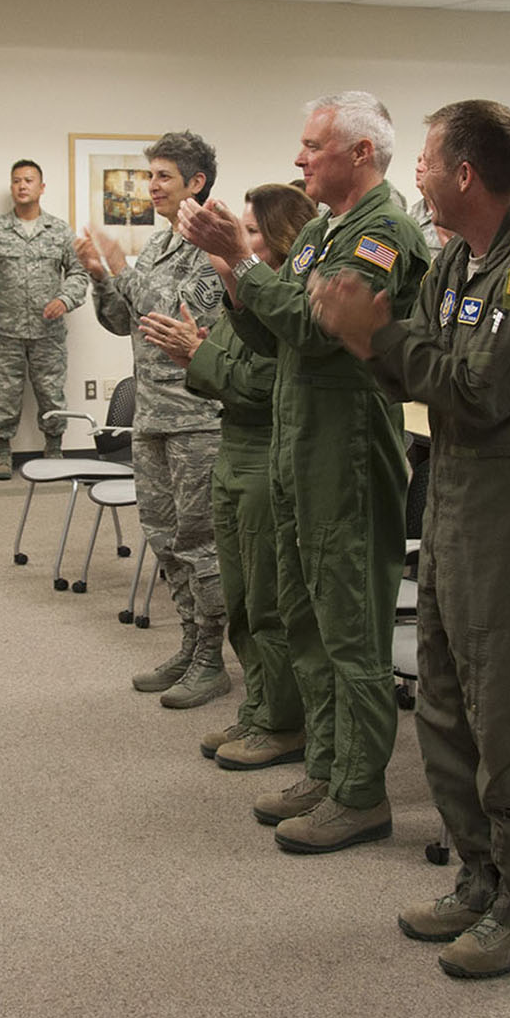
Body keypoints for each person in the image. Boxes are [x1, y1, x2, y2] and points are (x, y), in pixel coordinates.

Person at [309, 98, 510, 980]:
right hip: (456, 499)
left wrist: (377, 338)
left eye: (427, 161)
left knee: (506, 713)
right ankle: (477, 876)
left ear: (464, 173)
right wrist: (396, 343)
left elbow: (472, 395)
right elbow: (436, 367)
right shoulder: (458, 265)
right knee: (441, 698)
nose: (418, 175)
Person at [177, 92, 429, 855]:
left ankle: (359, 792)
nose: (298, 159)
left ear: (358, 153)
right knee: (306, 619)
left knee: (350, 629)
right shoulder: (326, 228)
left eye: (312, 145)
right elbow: (277, 329)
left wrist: (249, 264)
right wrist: (233, 271)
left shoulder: (384, 230)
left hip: (345, 453)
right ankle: (325, 766)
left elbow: (324, 332)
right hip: (298, 444)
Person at [142, 181, 318, 763]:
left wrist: (197, 356)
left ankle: (283, 722)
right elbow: (227, 363)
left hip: (264, 453)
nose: (239, 241)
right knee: (242, 599)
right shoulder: (245, 299)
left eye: (251, 233)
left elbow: (266, 386)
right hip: (233, 451)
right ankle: (258, 711)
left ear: (281, 239)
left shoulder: (288, 301)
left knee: (270, 603)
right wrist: (197, 349)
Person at [77, 133, 228, 708]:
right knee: (164, 540)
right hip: (153, 417)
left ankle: (213, 658)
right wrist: (99, 274)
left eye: (164, 176)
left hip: (198, 418)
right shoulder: (163, 246)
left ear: (197, 183)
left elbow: (178, 318)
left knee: (201, 544)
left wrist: (122, 269)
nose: (152, 187)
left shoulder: (217, 246)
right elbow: (124, 320)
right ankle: (189, 644)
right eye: (150, 176)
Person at [0, 159, 88, 478]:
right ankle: (2, 452)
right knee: (4, 392)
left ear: (41, 188)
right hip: (6, 331)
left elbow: (79, 271)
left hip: (49, 332)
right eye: (17, 180)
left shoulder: (59, 230)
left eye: (29, 180)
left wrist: (65, 298)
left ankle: (54, 448)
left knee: (51, 391)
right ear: (11, 187)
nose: (22, 186)